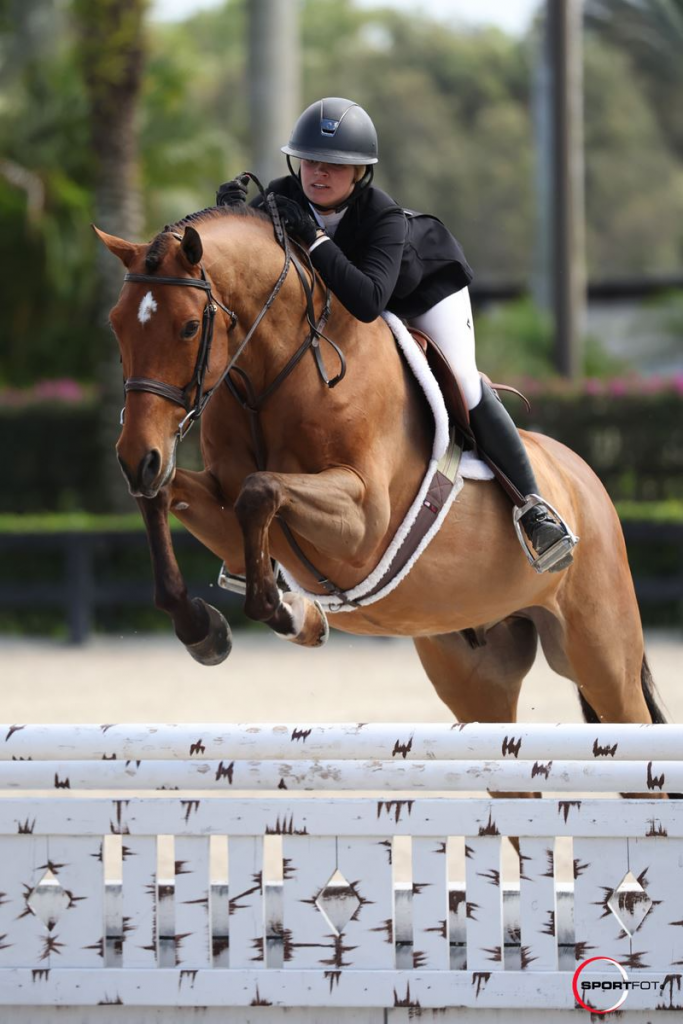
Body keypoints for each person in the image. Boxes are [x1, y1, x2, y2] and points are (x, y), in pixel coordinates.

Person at [216, 97, 576, 573]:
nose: (317, 173)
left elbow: (368, 302)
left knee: (464, 383)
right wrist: (230, 221)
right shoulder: (280, 198)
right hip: (342, 308)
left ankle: (533, 508)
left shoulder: (382, 217)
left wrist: (317, 240)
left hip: (420, 294)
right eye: (309, 161)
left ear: (360, 172)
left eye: (333, 165)